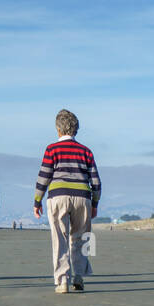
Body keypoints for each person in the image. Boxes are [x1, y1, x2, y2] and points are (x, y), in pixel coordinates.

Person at [33, 109, 101, 294]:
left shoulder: (52, 149)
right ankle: (78, 277)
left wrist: (37, 200)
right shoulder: (86, 151)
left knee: (59, 238)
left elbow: (44, 177)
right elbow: (95, 181)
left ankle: (62, 280)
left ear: (58, 129)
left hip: (58, 196)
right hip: (82, 197)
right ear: (76, 129)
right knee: (81, 237)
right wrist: (95, 203)